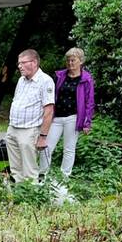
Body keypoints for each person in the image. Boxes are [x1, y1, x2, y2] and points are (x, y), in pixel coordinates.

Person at [40, 47, 95, 179]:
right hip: (56, 117)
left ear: (81, 61)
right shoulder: (60, 76)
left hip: (73, 117)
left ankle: (64, 178)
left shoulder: (86, 79)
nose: (70, 63)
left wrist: (87, 122)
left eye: (73, 60)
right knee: (46, 147)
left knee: (69, 149)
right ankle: (42, 176)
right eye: (68, 60)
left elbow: (89, 102)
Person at [5, 49, 55, 187]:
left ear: (34, 62)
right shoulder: (21, 80)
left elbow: (49, 111)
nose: (19, 66)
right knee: (15, 168)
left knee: (29, 169)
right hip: (13, 128)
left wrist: (43, 137)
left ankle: (31, 199)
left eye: (23, 63)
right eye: (18, 63)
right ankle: (20, 196)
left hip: (29, 131)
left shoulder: (45, 81)